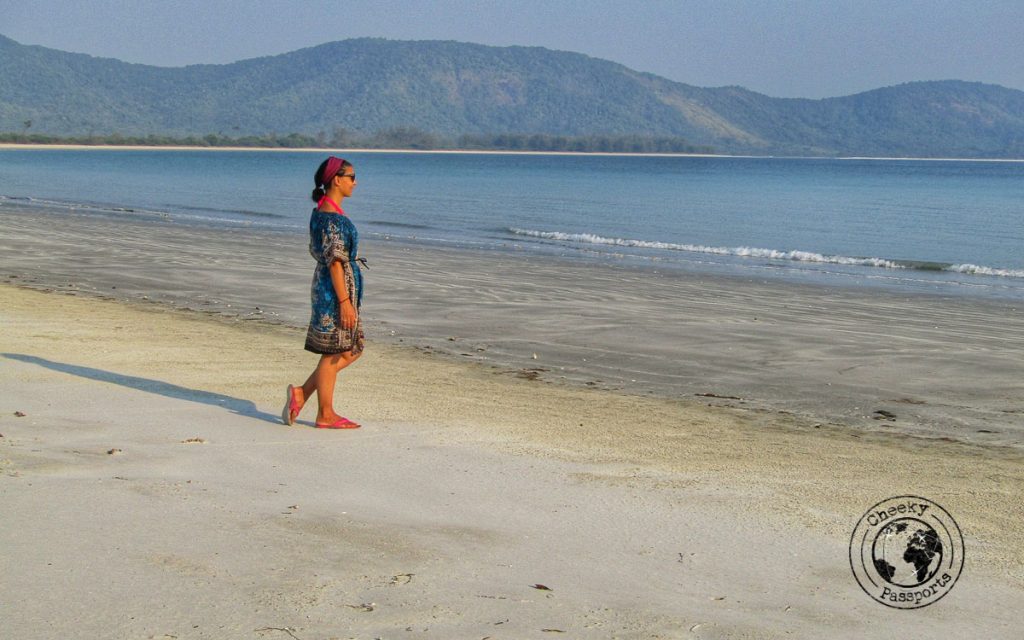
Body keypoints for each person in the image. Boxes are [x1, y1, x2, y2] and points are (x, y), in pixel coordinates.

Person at [283, 156, 364, 429]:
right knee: (332, 353)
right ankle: (325, 414)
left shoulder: (323, 211)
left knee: (352, 348)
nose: (355, 182)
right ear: (336, 180)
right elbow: (335, 262)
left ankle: (302, 393)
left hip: (331, 287)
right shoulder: (331, 219)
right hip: (333, 292)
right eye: (351, 176)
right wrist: (343, 301)